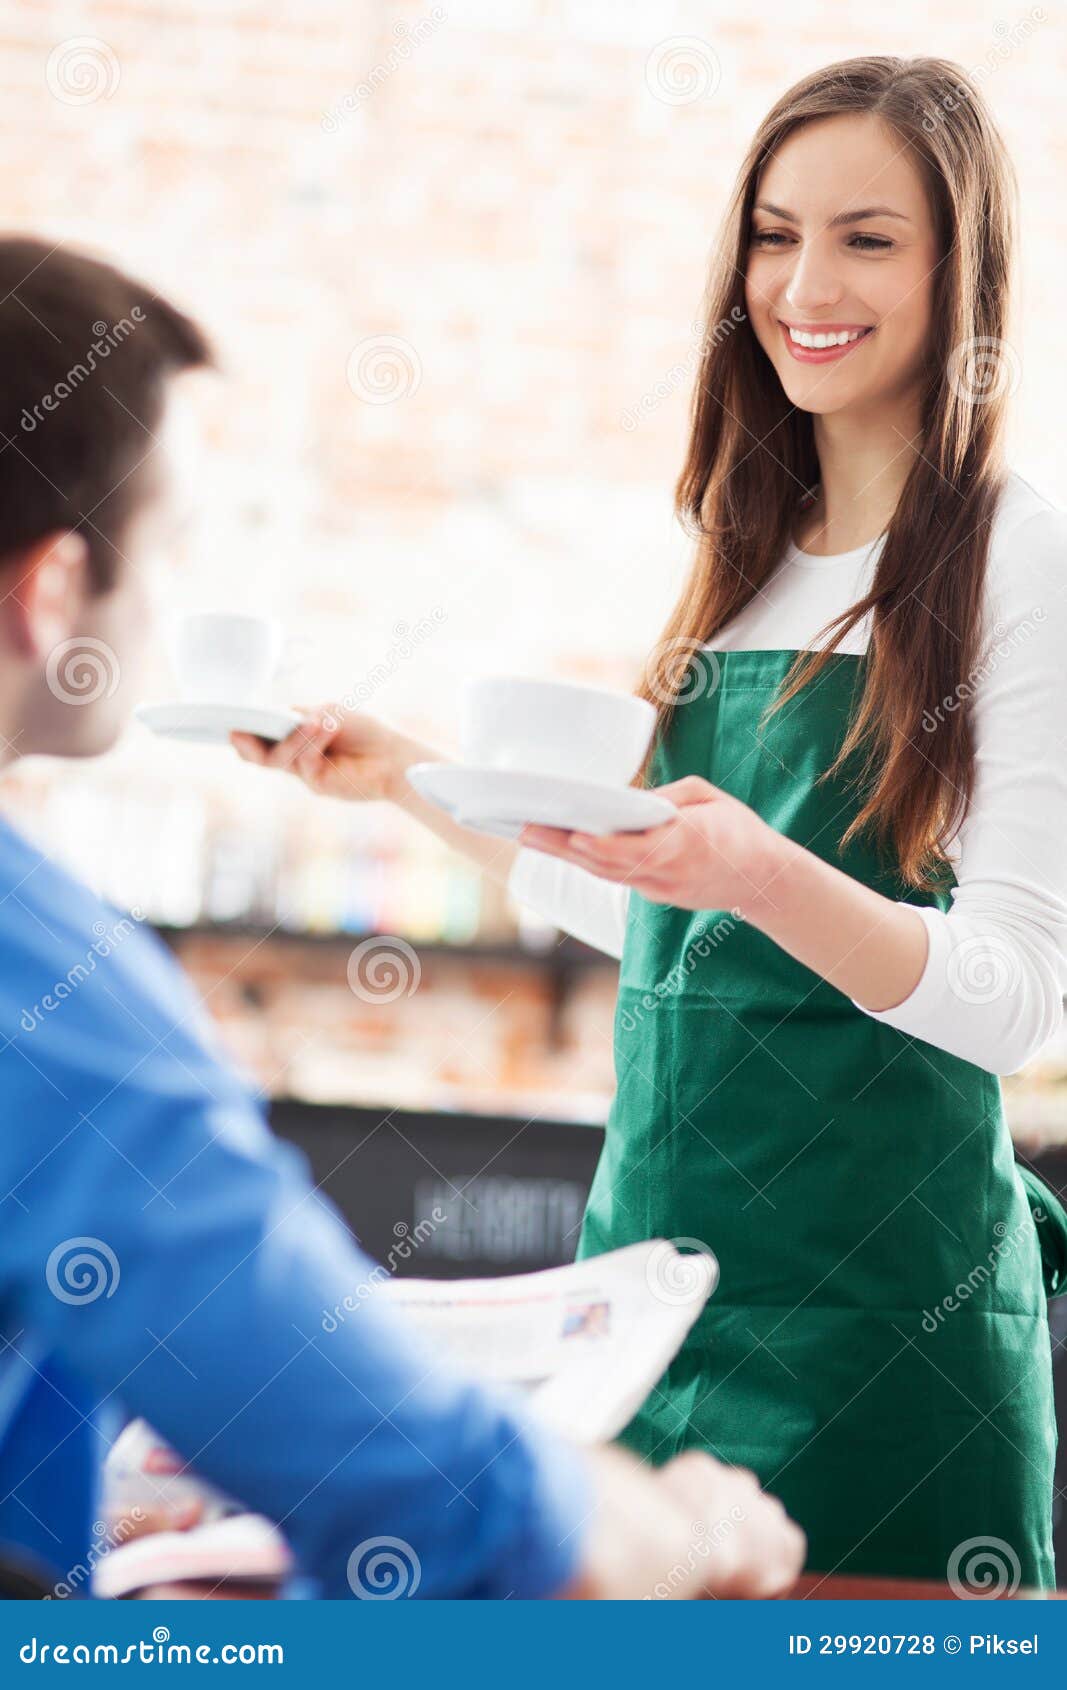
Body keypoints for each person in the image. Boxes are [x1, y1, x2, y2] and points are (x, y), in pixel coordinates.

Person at [238, 55, 1067, 1587]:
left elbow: (1008, 1001)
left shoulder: (1017, 552)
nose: (805, 282)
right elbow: (666, 923)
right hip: (655, 1307)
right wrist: (404, 773)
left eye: (868, 237)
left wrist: (755, 866)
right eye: (773, 232)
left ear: (963, 269)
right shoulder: (737, 556)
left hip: (891, 1336)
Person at [0, 234, 806, 1601]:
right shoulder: (54, 1000)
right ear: (57, 588)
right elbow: (447, 1500)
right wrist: (685, 1531)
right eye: (172, 542)